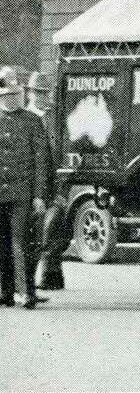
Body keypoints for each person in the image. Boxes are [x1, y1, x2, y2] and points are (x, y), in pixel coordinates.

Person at [0, 66, 51, 308]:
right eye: (7, 96)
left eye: (15, 94)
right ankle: (6, 292)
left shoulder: (32, 121)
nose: (12, 99)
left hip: (22, 194)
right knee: (2, 244)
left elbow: (41, 162)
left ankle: (26, 292)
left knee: (20, 242)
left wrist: (39, 196)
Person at [26, 72, 65, 291]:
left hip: (51, 182)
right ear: (29, 93)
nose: (41, 97)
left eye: (44, 93)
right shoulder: (23, 117)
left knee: (52, 226)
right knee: (31, 232)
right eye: (37, 92)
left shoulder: (53, 119)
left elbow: (57, 154)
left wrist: (59, 188)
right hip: (29, 185)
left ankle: (51, 275)